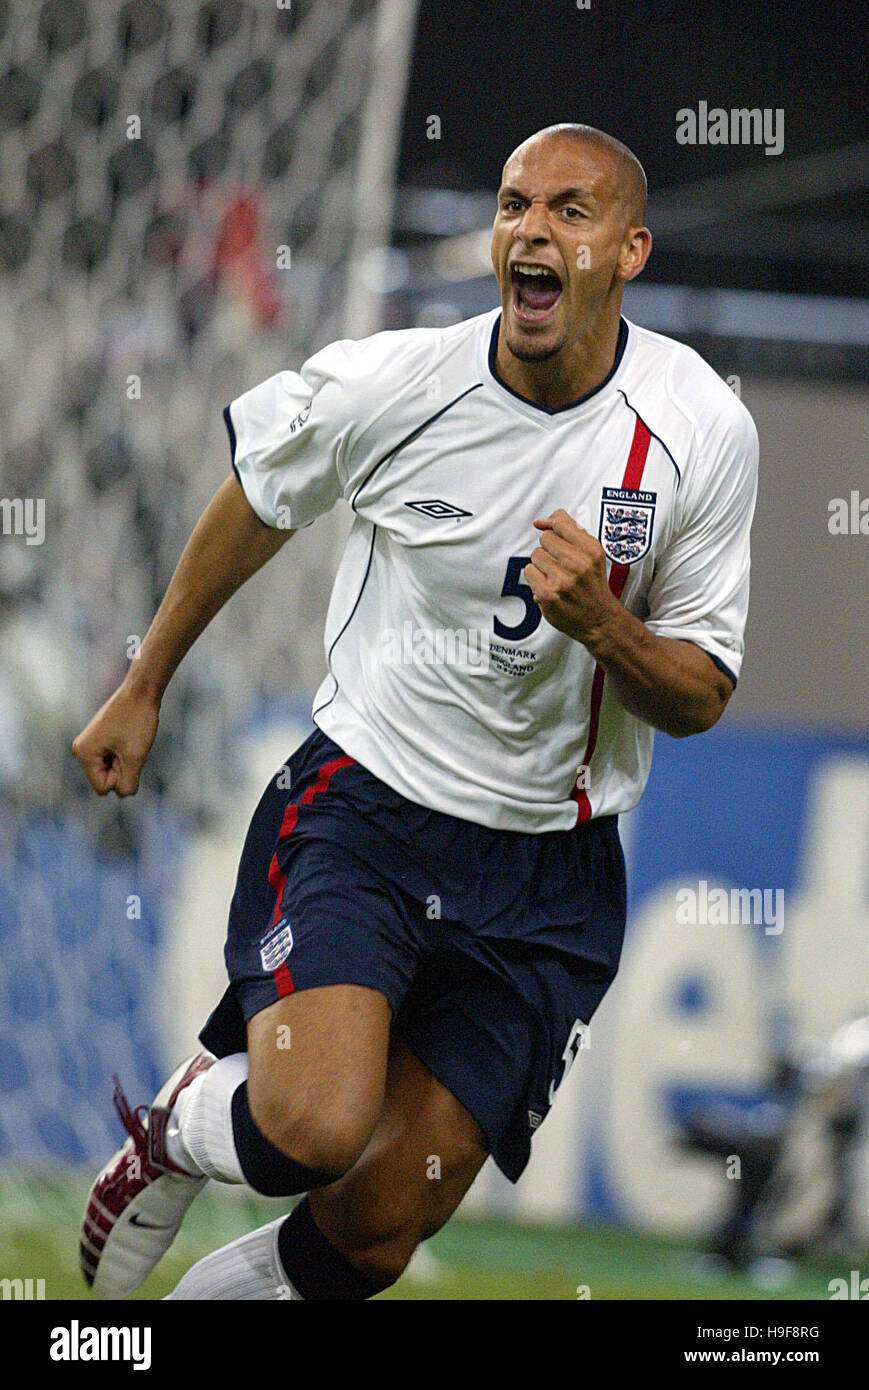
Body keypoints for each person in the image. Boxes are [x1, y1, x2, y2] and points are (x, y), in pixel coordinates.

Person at [72, 123, 758, 1301]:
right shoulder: (397, 384)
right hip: (369, 813)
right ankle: (180, 1129)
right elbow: (257, 497)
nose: (531, 230)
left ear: (628, 250)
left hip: (549, 876)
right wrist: (145, 682)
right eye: (512, 205)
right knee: (311, 1129)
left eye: (569, 211)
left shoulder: (698, 430)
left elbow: (698, 691)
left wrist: (604, 625)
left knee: (374, 1228)